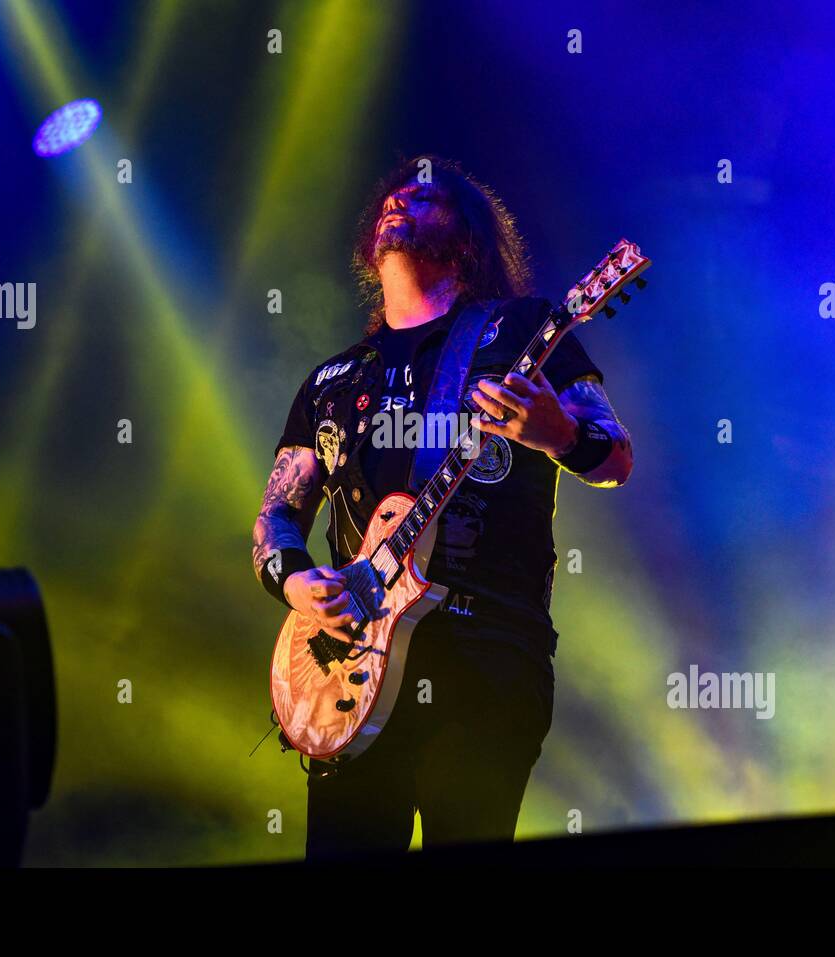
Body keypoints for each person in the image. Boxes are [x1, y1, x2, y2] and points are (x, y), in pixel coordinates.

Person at [252, 156, 632, 860]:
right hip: (353, 669)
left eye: (426, 198)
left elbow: (615, 456)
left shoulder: (521, 328)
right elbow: (278, 512)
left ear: (467, 235)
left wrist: (555, 433)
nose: (400, 200)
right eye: (393, 195)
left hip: (486, 657)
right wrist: (297, 581)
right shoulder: (335, 378)